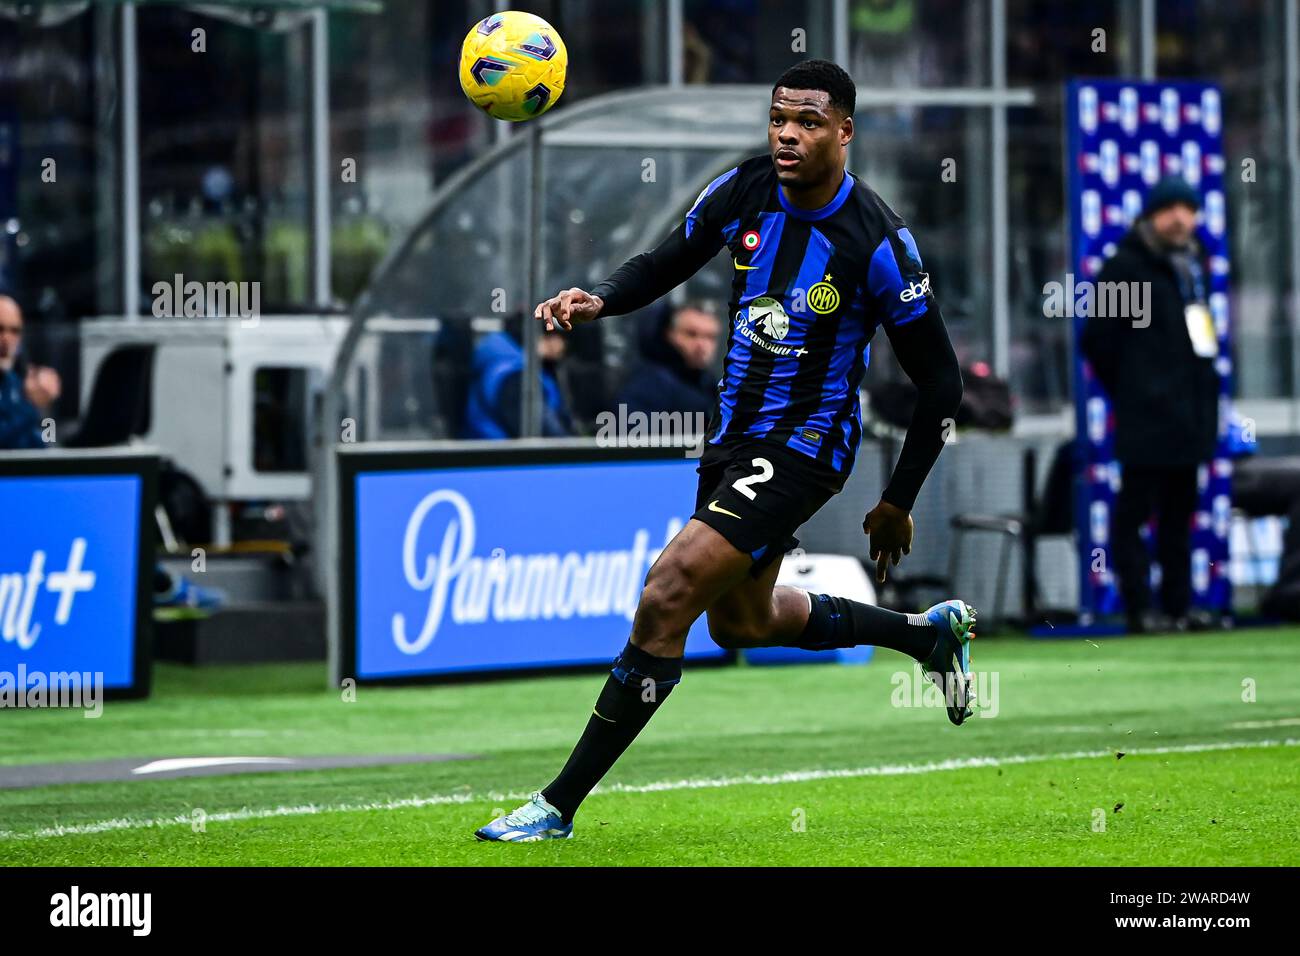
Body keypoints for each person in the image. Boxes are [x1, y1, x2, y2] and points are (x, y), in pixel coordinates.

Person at [476, 60, 970, 843]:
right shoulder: (742, 190)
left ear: (844, 131)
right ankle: (922, 635)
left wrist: (898, 499)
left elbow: (941, 384)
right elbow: (669, 259)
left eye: (808, 121)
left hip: (804, 448)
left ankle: (557, 804)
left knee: (668, 592)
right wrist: (600, 296)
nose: (787, 134)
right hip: (733, 439)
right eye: (779, 118)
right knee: (741, 622)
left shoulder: (878, 243)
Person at [1080, 176, 1219, 633]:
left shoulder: (1193, 264)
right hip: (1146, 419)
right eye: (1171, 209)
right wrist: (1137, 388)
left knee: (1180, 518)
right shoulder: (1125, 267)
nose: (1182, 218)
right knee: (1133, 515)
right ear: (1152, 215)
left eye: (1189, 209)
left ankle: (1179, 608)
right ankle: (1141, 610)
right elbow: (1098, 341)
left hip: (1191, 416)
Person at [462, 318, 574, 439]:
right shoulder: (515, 376)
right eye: (564, 339)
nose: (564, 347)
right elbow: (544, 431)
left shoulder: (509, 363)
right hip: (500, 453)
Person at [617, 300, 720, 423]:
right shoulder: (649, 384)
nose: (702, 345)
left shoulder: (708, 382)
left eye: (710, 337)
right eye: (691, 334)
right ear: (669, 334)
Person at [0, 295, 60, 450]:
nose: (6, 339)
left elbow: (48, 439)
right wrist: (31, 406)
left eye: (15, 331)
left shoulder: (13, 382)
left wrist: (46, 409)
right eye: (0, 329)